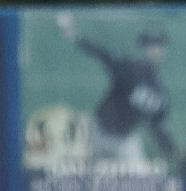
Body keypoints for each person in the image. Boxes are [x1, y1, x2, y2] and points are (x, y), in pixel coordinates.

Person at [57, 13, 177, 169]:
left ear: (163, 50)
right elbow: (104, 55)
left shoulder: (160, 93)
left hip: (124, 140)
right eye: (150, 44)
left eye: (158, 45)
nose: (154, 49)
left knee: (141, 179)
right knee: (71, 173)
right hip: (95, 130)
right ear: (142, 46)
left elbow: (158, 128)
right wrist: (75, 35)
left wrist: (174, 152)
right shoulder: (129, 68)